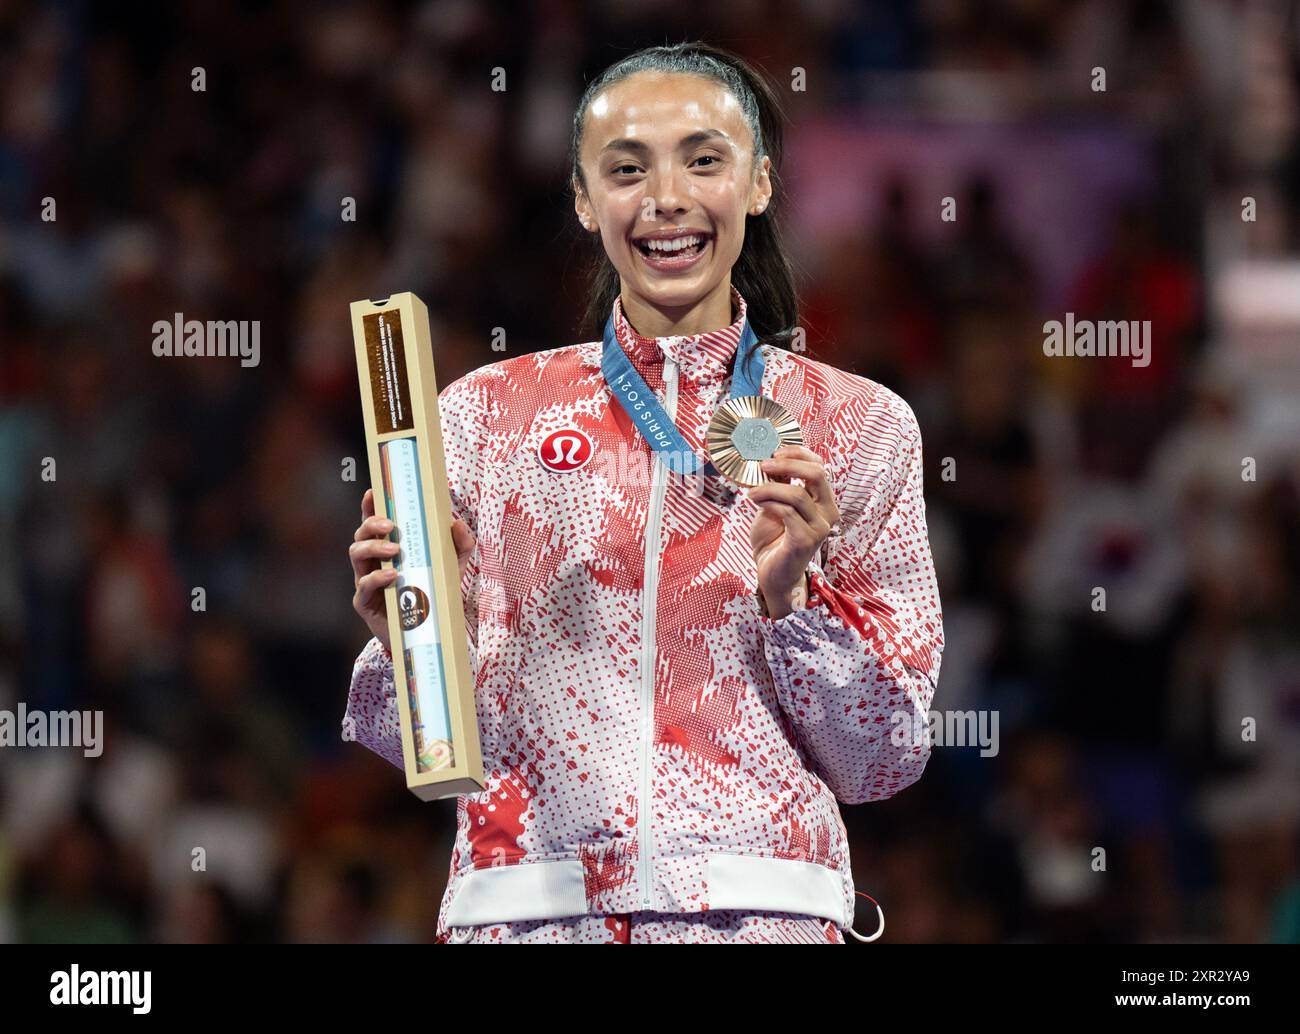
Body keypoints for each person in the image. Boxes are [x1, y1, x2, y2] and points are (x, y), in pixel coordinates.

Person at [344, 42, 944, 944]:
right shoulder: (481, 417)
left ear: (759, 183)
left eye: (703, 160)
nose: (666, 197)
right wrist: (414, 638)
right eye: (627, 169)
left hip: (763, 918)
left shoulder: (857, 425)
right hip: (528, 914)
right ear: (584, 200)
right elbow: (421, 751)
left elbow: (881, 759)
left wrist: (793, 601)